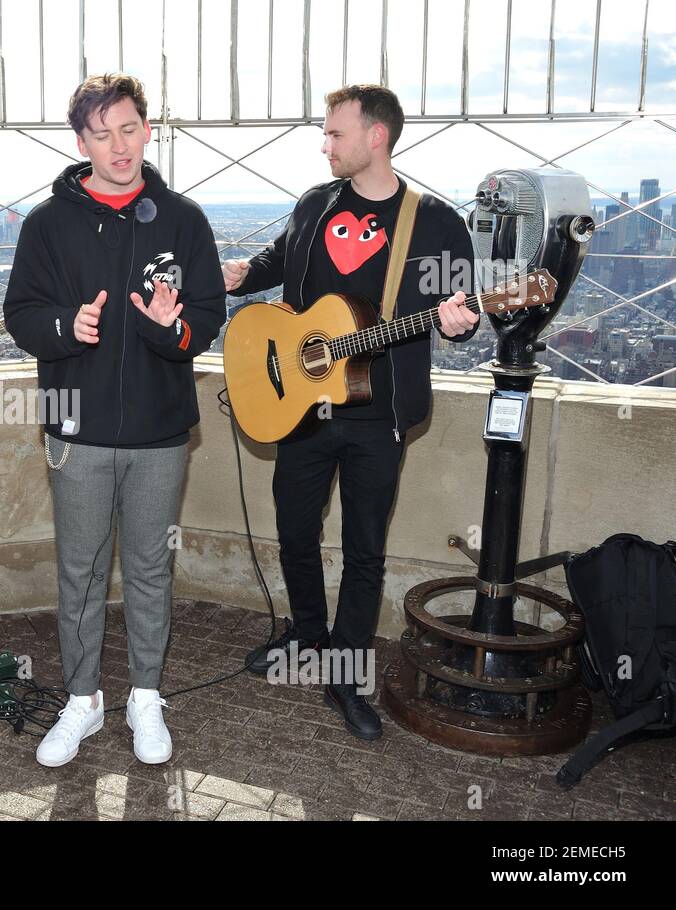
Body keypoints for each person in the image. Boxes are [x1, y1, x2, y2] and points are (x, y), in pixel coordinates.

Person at [221, 84, 479, 740]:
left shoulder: (435, 222)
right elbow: (281, 261)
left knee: (365, 551)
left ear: (376, 137)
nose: (325, 145)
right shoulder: (317, 204)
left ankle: (344, 672)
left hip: (377, 416)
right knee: (295, 532)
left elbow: (463, 308)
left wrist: (461, 321)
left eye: (335, 134)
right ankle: (308, 634)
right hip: (302, 408)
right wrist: (244, 273)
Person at [3, 73, 226, 768]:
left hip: (161, 431)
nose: (119, 146)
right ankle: (82, 700)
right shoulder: (46, 224)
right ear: (82, 143)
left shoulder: (184, 219)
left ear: (147, 130)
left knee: (152, 567)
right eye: (102, 134)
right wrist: (66, 326)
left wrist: (170, 326)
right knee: (81, 570)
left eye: (129, 128)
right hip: (75, 428)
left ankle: (145, 697)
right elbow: (21, 314)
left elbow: (207, 317)